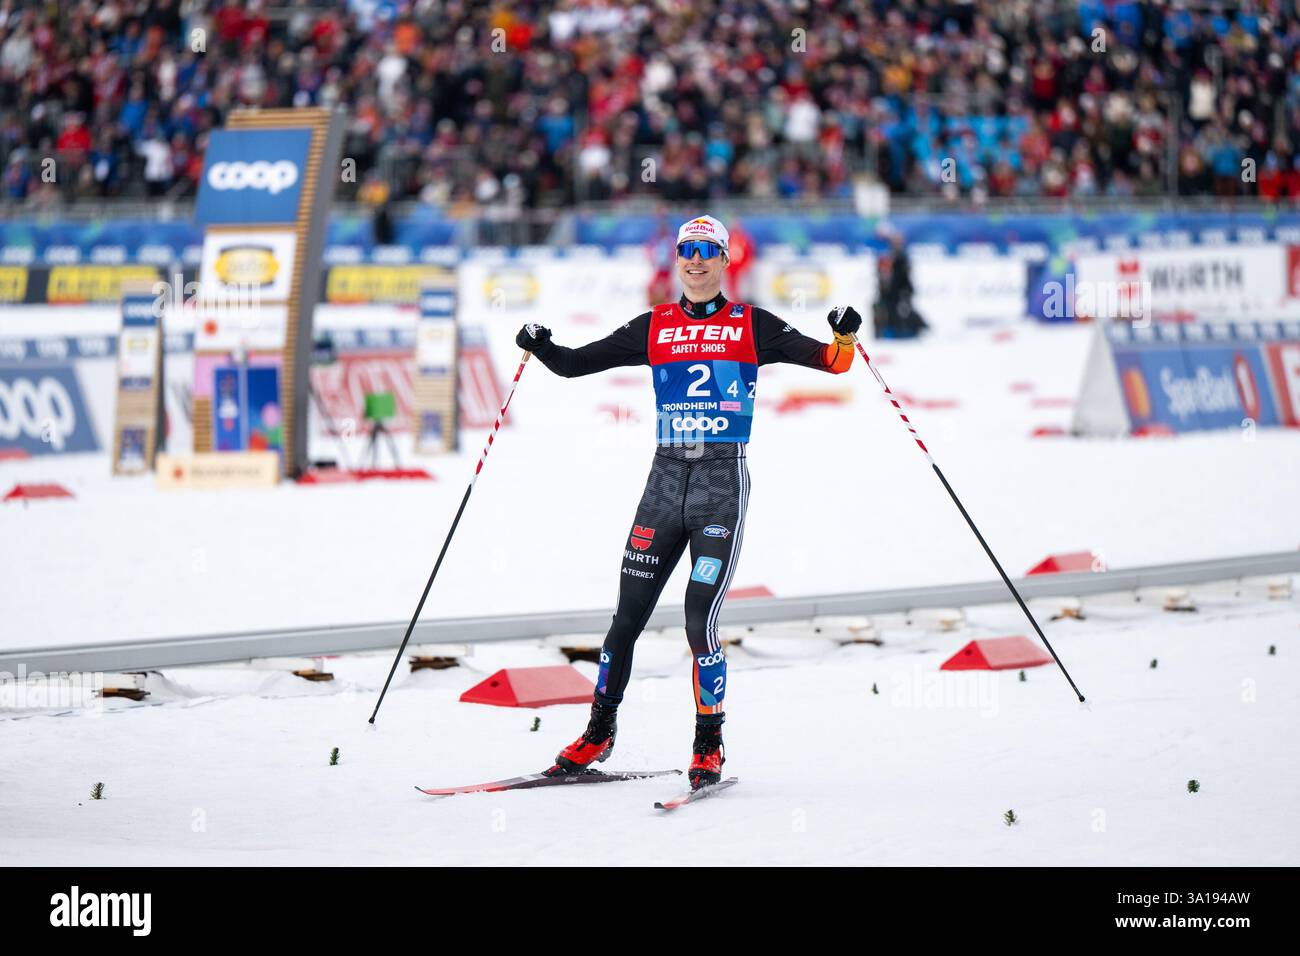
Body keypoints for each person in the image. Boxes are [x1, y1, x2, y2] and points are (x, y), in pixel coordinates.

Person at [516, 215, 862, 790]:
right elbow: (578, 363)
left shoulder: (753, 324)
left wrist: (846, 333)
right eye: (686, 251)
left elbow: (834, 362)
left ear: (726, 261)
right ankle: (598, 733)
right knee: (625, 621)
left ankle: (708, 744)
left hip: (720, 485)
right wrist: (542, 345)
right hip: (664, 480)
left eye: (708, 251)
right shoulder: (655, 325)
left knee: (699, 622)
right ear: (676, 260)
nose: (696, 261)